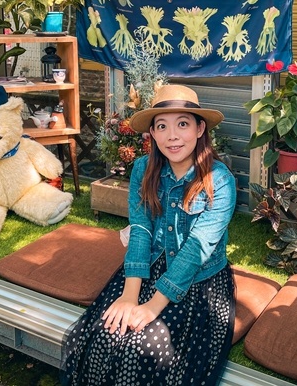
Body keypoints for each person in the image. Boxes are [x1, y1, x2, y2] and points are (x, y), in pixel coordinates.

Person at [61, 85, 236, 385]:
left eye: (183, 123)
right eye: (162, 126)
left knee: (140, 350)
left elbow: (196, 250)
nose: (172, 136)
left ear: (199, 128)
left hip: (198, 281)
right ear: (152, 134)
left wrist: (152, 307)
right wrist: (130, 297)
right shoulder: (143, 169)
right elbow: (140, 229)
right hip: (151, 266)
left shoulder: (220, 181)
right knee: (104, 337)